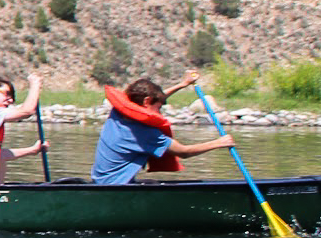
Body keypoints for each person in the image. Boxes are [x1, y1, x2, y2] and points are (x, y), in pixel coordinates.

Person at [92, 71, 235, 185]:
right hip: (116, 187)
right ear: (147, 102)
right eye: (159, 108)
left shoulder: (117, 113)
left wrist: (182, 84)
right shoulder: (144, 133)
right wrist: (219, 143)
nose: (159, 113)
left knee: (152, 184)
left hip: (101, 181)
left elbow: (153, 99)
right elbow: (183, 152)